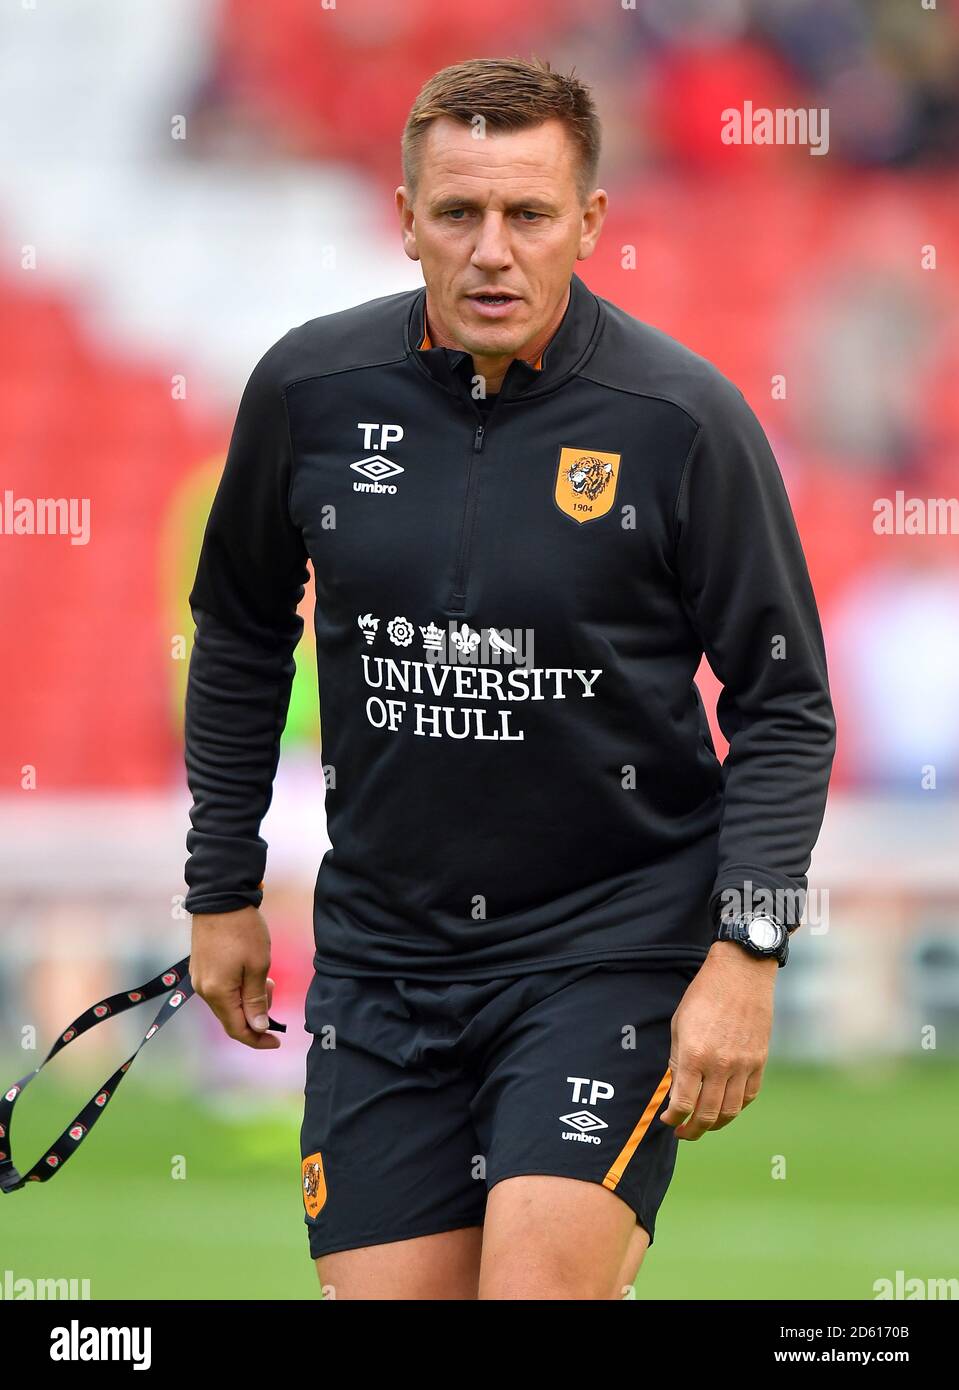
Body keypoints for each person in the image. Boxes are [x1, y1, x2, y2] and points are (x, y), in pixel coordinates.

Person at [183, 56, 836, 1300]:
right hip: (385, 959)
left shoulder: (681, 420)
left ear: (587, 222)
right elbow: (237, 631)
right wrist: (218, 887)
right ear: (404, 217)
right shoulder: (308, 392)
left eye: (527, 214)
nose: (492, 250)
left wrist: (746, 952)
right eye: (458, 213)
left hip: (610, 948)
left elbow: (782, 702)